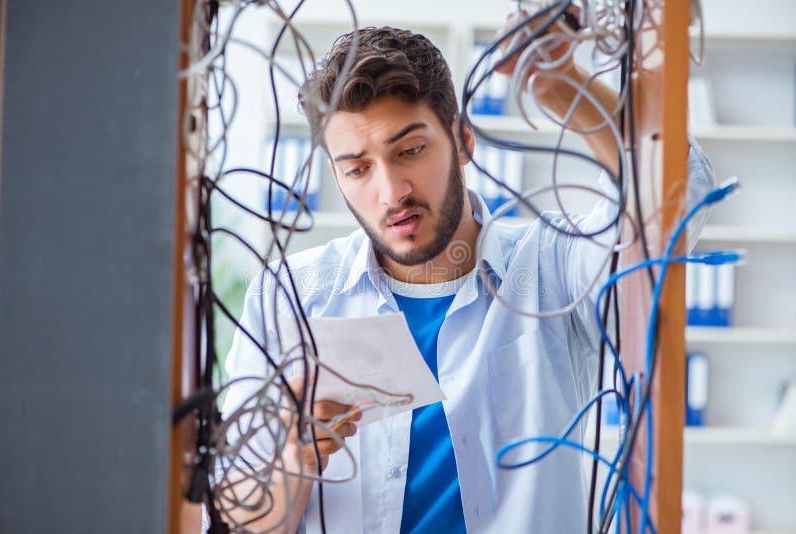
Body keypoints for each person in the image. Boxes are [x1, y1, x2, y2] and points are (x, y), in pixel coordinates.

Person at [220, 16, 714, 534]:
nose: (391, 193)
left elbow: (676, 195)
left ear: (463, 142)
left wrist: (564, 86)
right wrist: (290, 470)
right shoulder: (288, 298)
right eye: (358, 169)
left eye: (410, 150)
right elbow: (230, 520)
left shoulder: (552, 267)